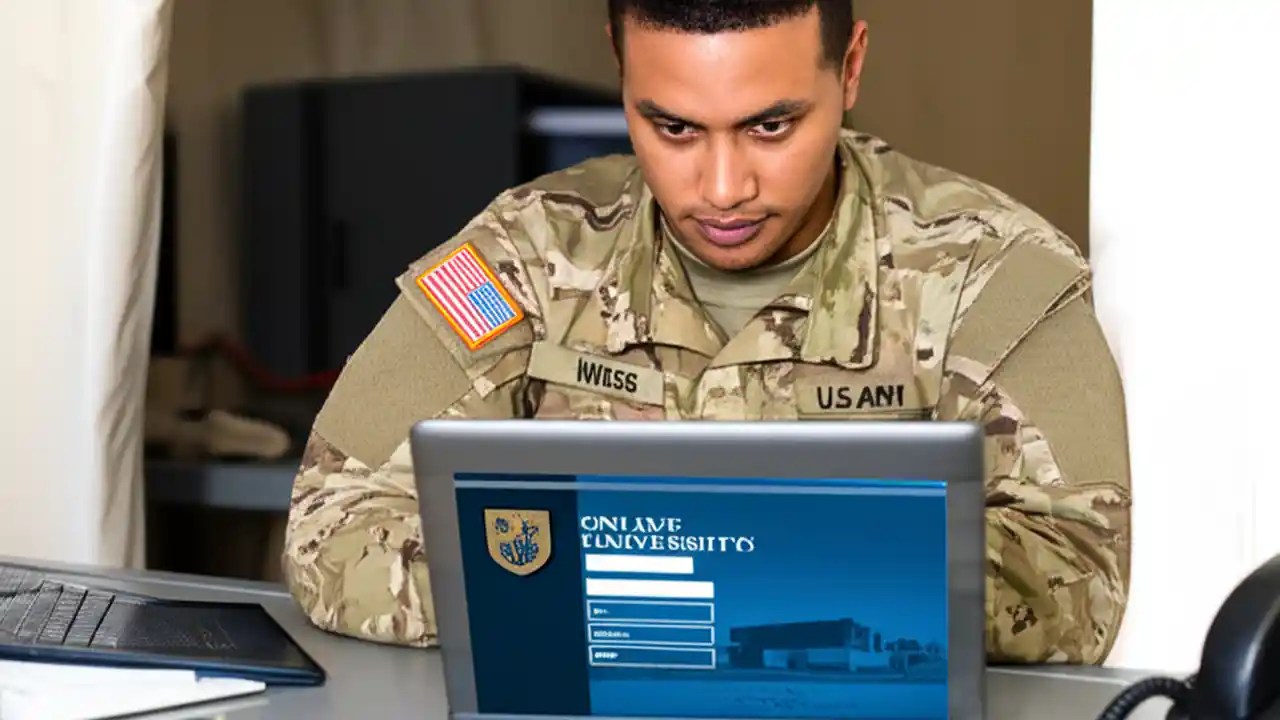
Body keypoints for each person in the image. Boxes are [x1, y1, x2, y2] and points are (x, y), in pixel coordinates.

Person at [281, 0, 1131, 665]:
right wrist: (759, 590)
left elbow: (1074, 580)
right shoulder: (526, 255)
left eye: (771, 126)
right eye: (674, 127)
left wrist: (598, 590)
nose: (722, 187)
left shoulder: (995, 278)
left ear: (854, 67)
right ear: (619, 68)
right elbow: (333, 521)